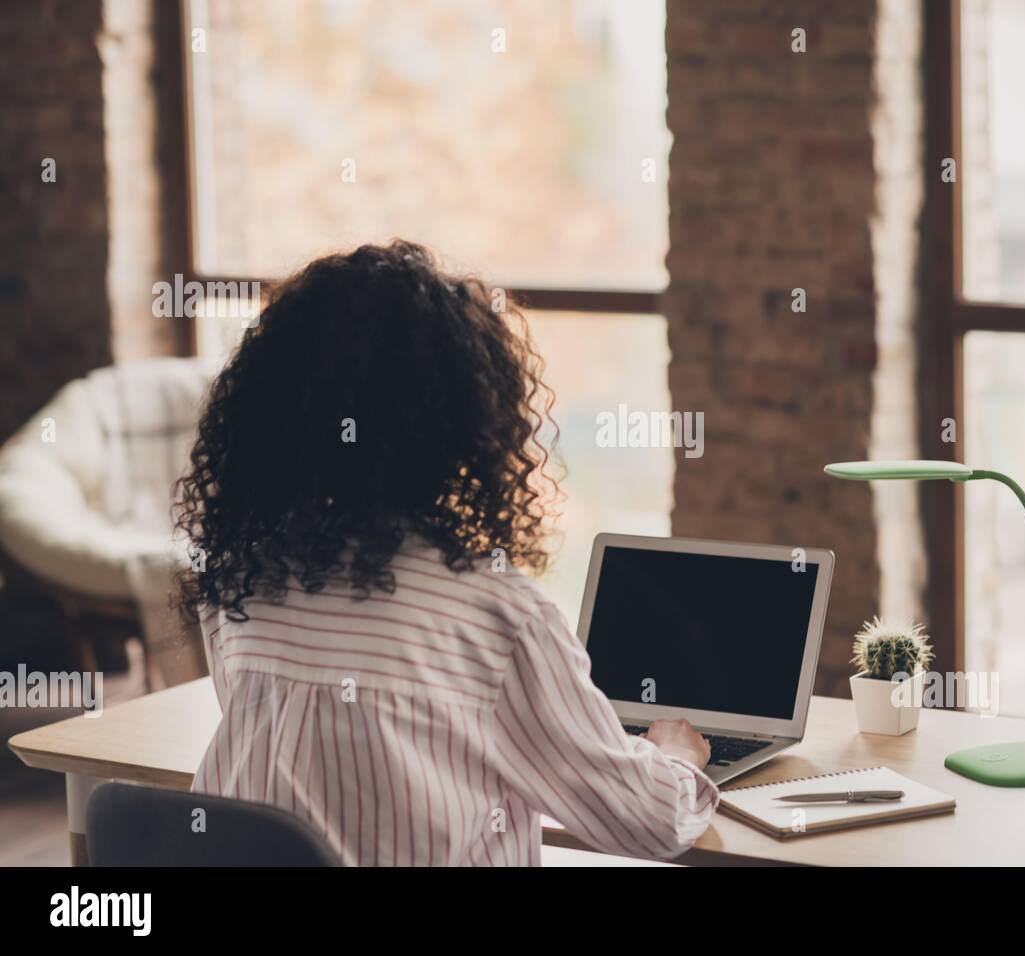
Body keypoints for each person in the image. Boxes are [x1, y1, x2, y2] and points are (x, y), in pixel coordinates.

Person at [176, 241, 717, 865]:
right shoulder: (498, 615)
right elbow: (646, 823)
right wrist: (677, 756)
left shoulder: (239, 581)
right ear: (465, 420)